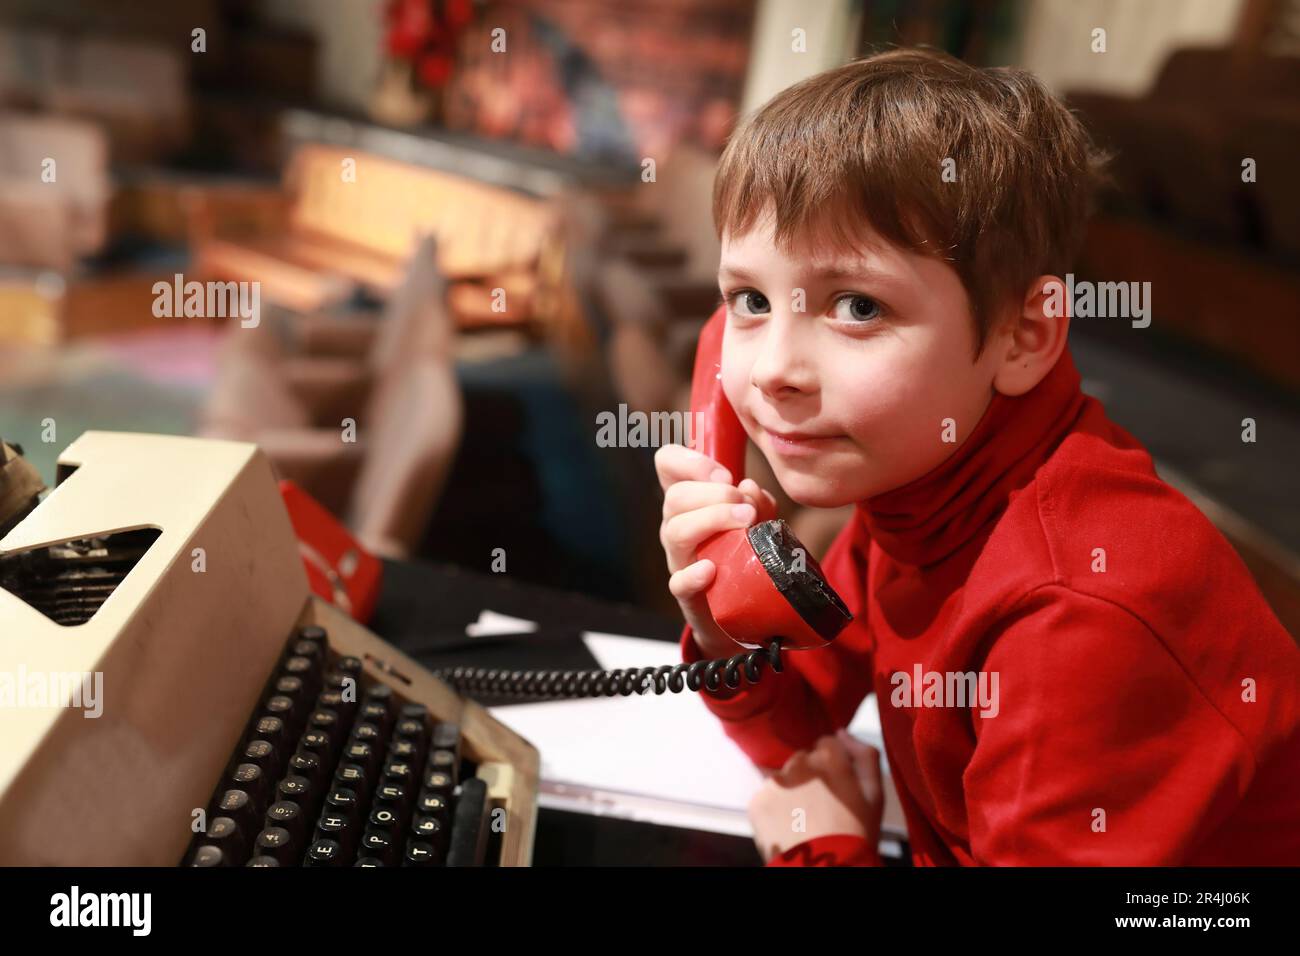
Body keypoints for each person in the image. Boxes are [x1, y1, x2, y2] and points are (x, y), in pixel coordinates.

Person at [655, 49, 1300, 866]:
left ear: (1024, 336)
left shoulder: (1077, 615)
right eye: (749, 300)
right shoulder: (924, 486)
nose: (774, 368)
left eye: (857, 306)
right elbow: (803, 731)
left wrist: (821, 855)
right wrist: (729, 633)